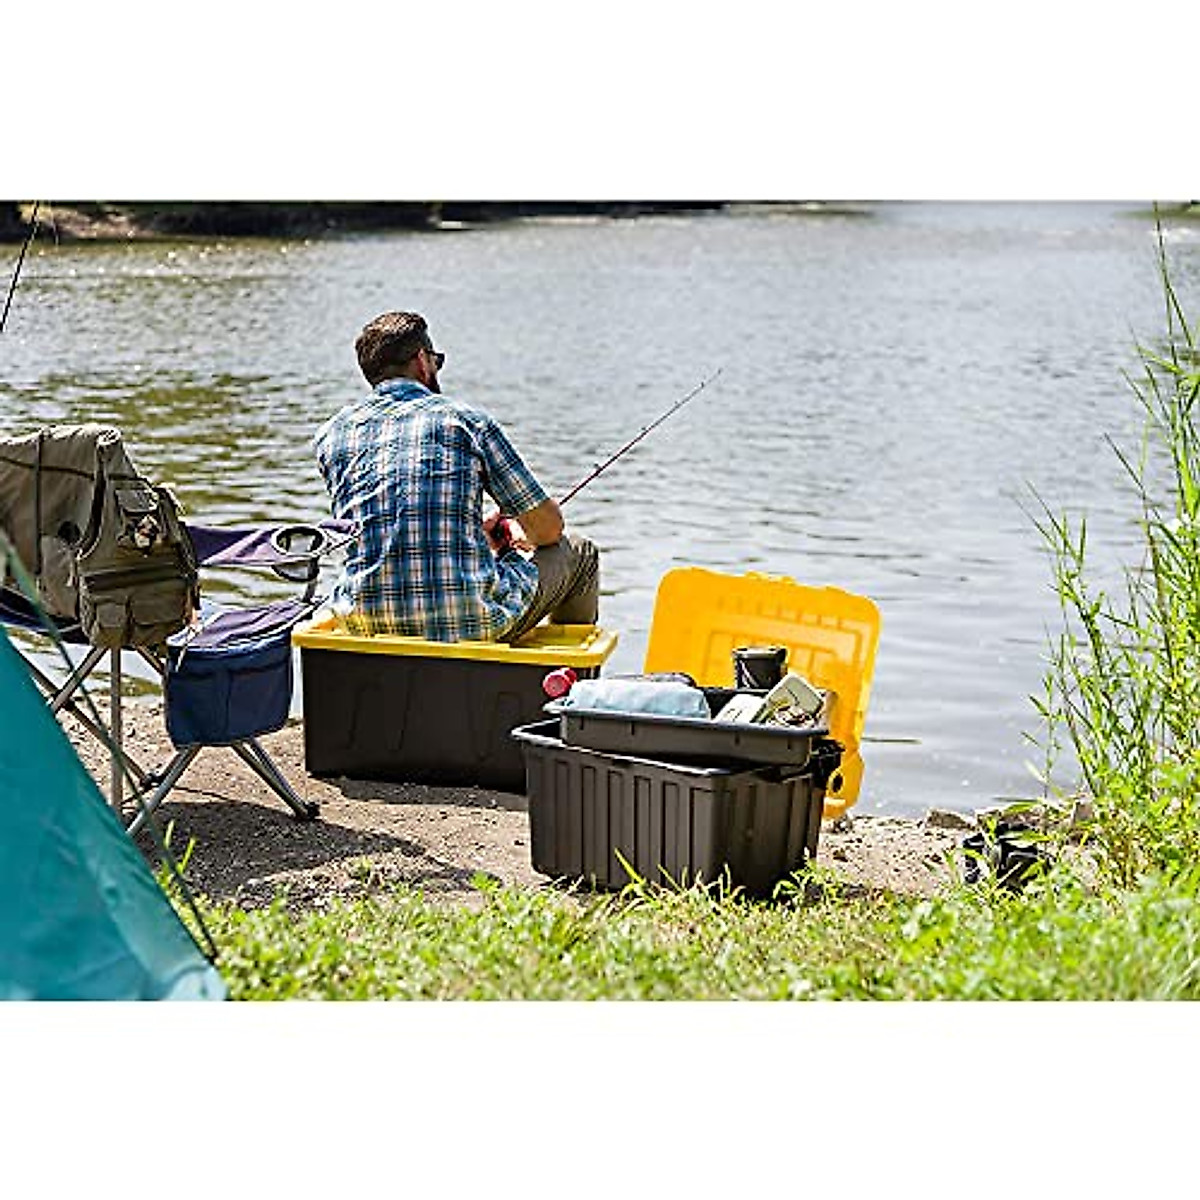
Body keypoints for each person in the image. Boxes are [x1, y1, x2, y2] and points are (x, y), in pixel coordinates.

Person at [313, 311, 599, 642]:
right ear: (422, 361)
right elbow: (548, 531)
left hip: (362, 622)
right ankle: (567, 675)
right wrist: (512, 541)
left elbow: (386, 526)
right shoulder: (466, 422)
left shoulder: (332, 435)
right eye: (436, 360)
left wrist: (477, 536)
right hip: (470, 624)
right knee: (580, 552)